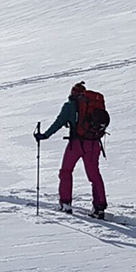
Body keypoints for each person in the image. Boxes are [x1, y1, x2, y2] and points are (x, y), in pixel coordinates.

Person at [34, 81, 108, 218]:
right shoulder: (93, 104)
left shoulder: (69, 106)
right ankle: (99, 207)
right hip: (93, 144)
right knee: (94, 175)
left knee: (66, 171)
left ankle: (65, 203)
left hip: (76, 144)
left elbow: (59, 122)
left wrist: (45, 135)